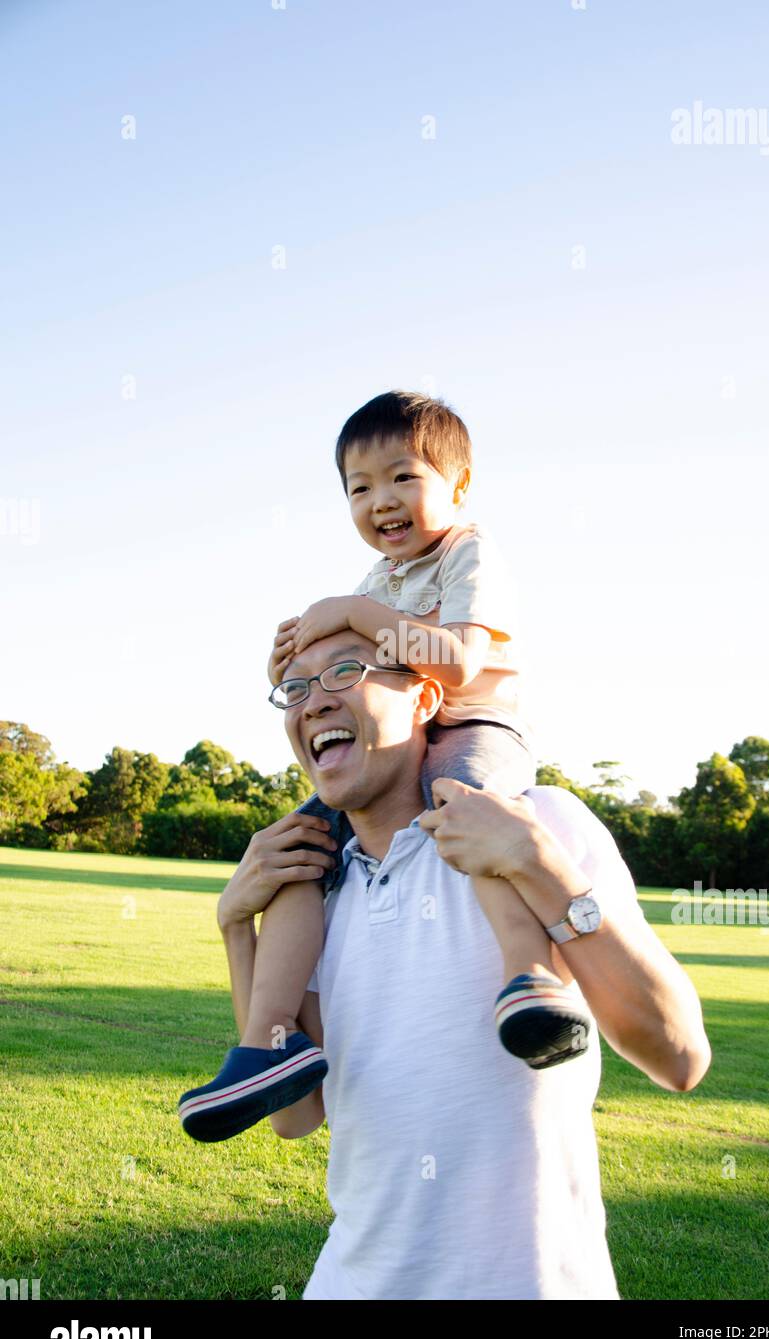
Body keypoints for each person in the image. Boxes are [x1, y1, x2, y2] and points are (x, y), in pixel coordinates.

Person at [200, 627, 712, 1299]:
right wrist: (238, 926)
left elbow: (677, 1058)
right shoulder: (310, 892)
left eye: (343, 672)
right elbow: (295, 1117)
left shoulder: (540, 819)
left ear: (423, 697)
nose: (313, 703)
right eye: (294, 687)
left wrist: (537, 863)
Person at [180, 390, 592, 1143]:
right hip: (411, 736)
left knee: (463, 806)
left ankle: (530, 979)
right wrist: (300, 653)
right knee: (300, 849)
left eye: (401, 477)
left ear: (457, 487)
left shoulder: (467, 551)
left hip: (475, 725)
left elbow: (459, 663)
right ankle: (265, 1046)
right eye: (358, 488)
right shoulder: (372, 584)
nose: (381, 501)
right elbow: (350, 666)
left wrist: (350, 613)